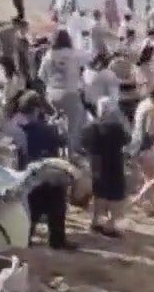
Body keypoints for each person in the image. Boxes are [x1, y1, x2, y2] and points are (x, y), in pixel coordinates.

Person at [18, 92, 74, 251]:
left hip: (28, 172)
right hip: (48, 171)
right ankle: (57, 241)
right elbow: (62, 141)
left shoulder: (18, 126)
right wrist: (59, 127)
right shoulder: (46, 129)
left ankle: (25, 238)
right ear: (37, 109)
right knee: (56, 207)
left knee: (31, 208)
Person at [81, 97, 129, 238]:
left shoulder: (91, 127)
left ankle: (96, 221)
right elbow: (128, 139)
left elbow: (84, 144)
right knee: (114, 195)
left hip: (97, 165)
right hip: (114, 164)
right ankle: (110, 224)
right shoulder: (117, 128)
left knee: (99, 194)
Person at [38, 30, 86, 153]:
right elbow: (83, 68)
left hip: (53, 94)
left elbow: (41, 76)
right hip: (70, 92)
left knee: (55, 120)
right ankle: (71, 152)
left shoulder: (48, 55)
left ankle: (54, 146)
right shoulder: (74, 54)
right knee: (74, 124)